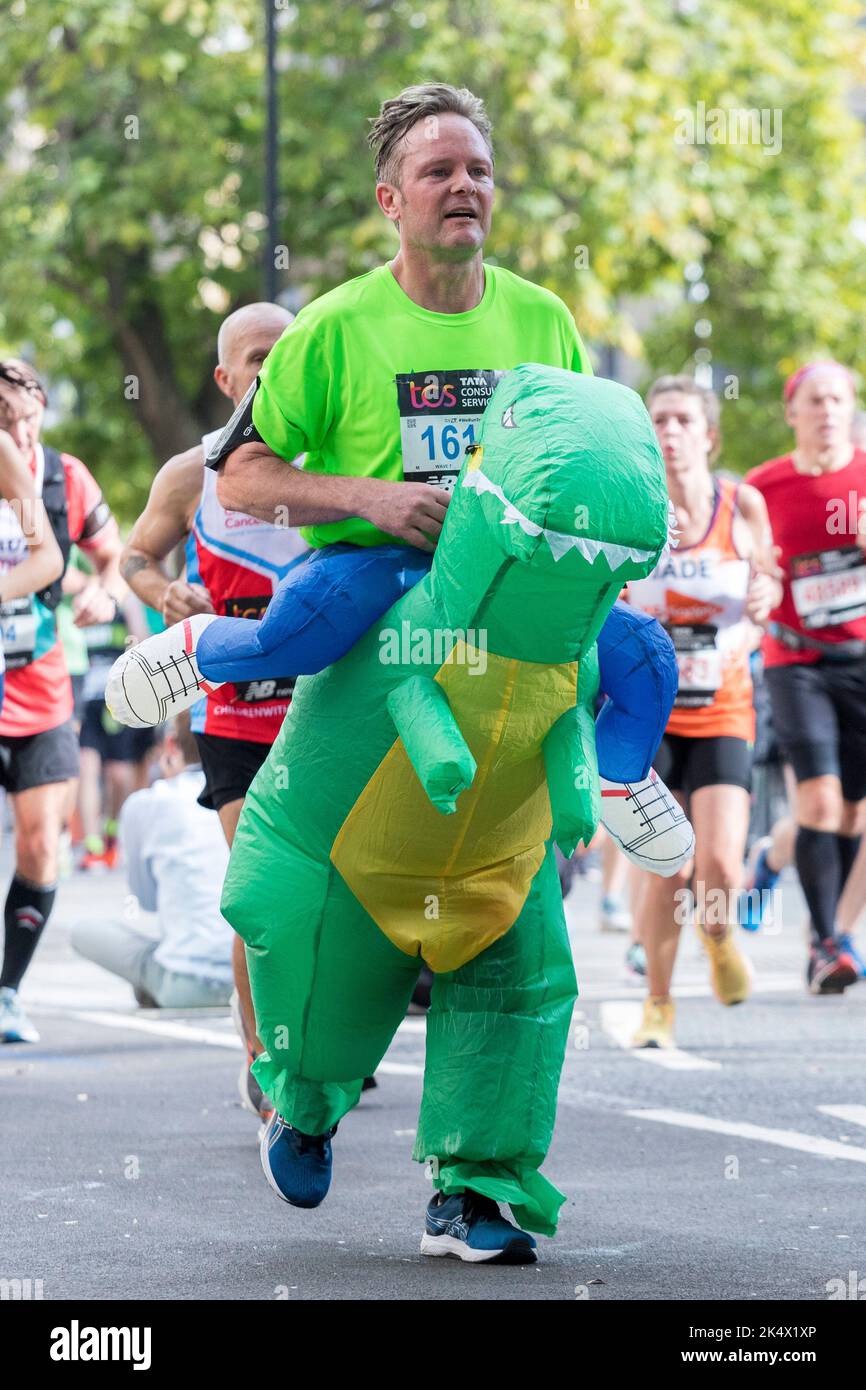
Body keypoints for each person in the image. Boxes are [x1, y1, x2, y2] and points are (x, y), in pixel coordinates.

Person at [108, 84, 690, 1261]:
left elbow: (579, 483)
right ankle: (305, 1087)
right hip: (376, 648)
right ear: (390, 201)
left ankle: (476, 1187)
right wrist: (370, 499)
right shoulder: (332, 330)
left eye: (477, 167)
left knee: (515, 944)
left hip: (514, 672)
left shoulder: (543, 321)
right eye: (437, 171)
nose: (463, 185)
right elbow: (246, 478)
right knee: (320, 912)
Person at [119, 301, 300, 1114]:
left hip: (328, 711)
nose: (269, 372)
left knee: (340, 886)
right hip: (236, 719)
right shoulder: (192, 473)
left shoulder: (343, 463)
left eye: (284, 356)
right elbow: (133, 556)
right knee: (262, 894)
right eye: (254, 359)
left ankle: (323, 1029)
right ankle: (263, 1059)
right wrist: (168, 593)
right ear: (227, 379)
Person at [625, 375, 781, 1048]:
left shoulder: (741, 504)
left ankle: (716, 934)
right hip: (649, 710)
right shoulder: (632, 509)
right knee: (668, 863)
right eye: (659, 420)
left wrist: (761, 605)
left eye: (684, 420)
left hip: (722, 707)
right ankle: (658, 1004)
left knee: (717, 865)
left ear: (709, 436)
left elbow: (767, 581)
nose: (670, 432)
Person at [0, 360, 126, 1045]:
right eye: (3, 420)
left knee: (42, 844)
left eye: (28, 417)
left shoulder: (65, 479)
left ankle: (8, 991)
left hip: (43, 683)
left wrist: (102, 590)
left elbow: (113, 557)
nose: (18, 433)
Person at [745, 361, 866, 993]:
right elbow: (749, 569)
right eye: (814, 401)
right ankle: (827, 946)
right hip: (796, 661)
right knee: (819, 800)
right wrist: (760, 582)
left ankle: (772, 860)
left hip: (861, 660)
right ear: (792, 412)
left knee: (852, 815)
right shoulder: (764, 487)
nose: (826, 411)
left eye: (837, 400)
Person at [70, 713, 234, 1008]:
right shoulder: (243, 799)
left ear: (170, 746)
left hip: (185, 980)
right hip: (246, 979)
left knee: (82, 931)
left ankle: (155, 981)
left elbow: (145, 901)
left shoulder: (148, 802)